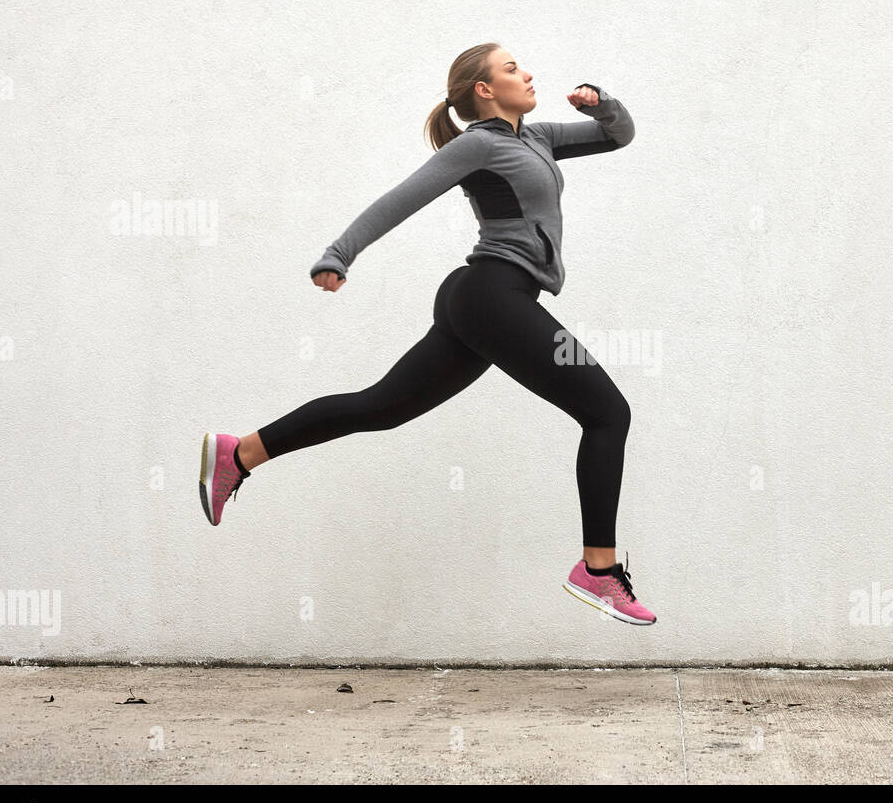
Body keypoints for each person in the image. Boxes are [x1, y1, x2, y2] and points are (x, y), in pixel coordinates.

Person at [199, 42, 655, 624]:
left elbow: (619, 136)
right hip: (491, 296)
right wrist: (340, 254)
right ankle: (597, 570)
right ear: (485, 90)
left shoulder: (538, 139)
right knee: (607, 412)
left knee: (381, 407)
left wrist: (601, 102)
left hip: (489, 303)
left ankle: (240, 453)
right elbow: (402, 198)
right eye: (512, 68)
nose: (529, 72)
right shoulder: (478, 144)